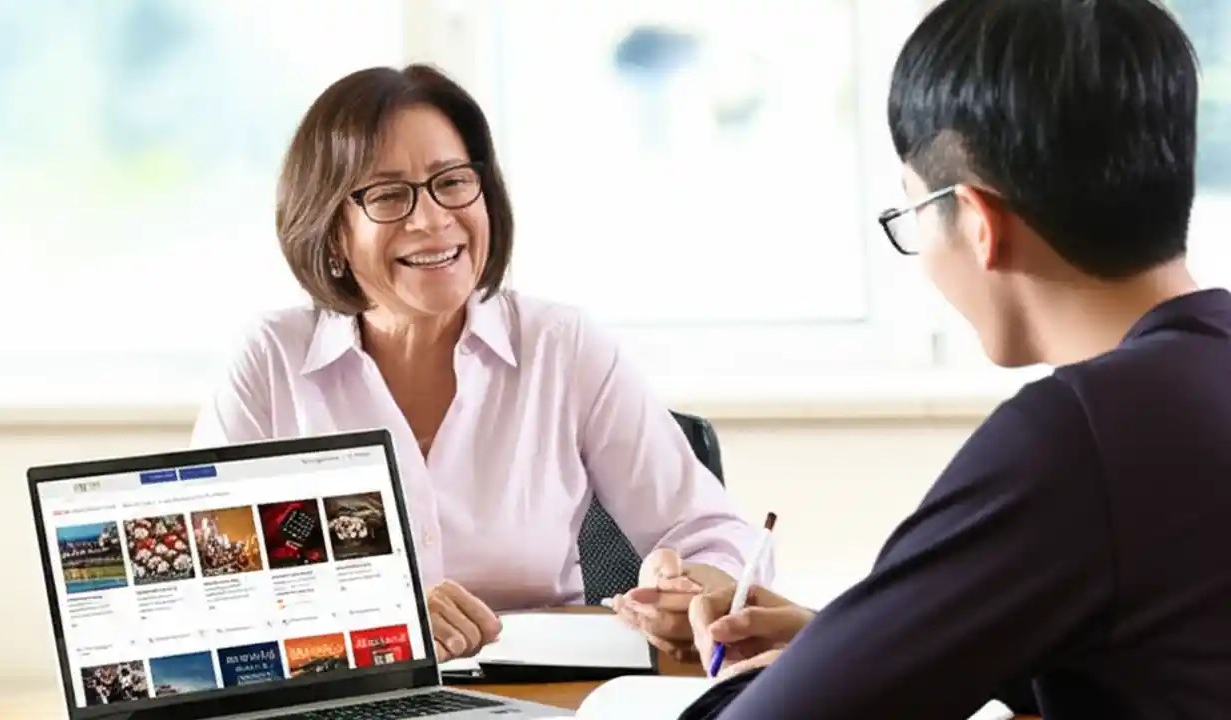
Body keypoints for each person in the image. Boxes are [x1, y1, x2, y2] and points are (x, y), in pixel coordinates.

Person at [683, 0, 1231, 717]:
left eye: (912, 215)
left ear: (976, 222)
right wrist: (852, 639)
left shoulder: (1075, 438)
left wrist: (771, 677)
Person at [190, 64, 771, 662]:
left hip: (548, 697)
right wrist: (381, 624)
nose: (432, 218)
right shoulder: (271, 361)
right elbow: (203, 594)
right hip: (352, 698)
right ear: (332, 231)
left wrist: (699, 588)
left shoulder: (561, 345)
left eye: (452, 181)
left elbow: (715, 533)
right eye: (389, 195)